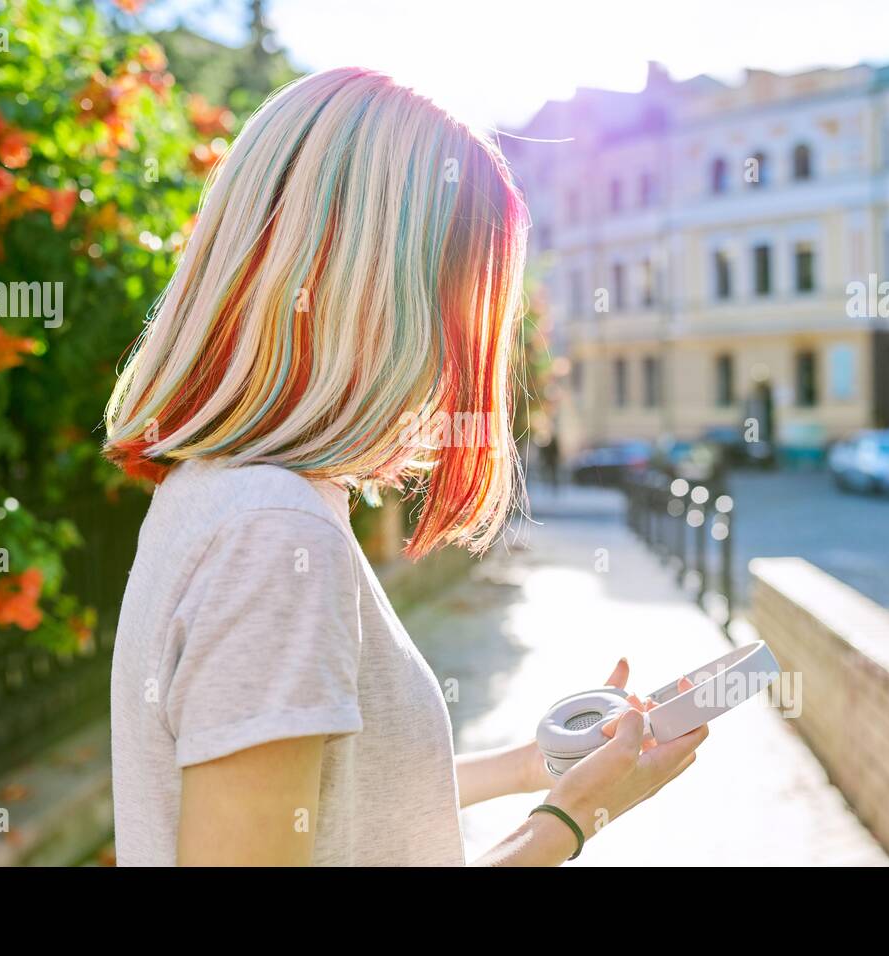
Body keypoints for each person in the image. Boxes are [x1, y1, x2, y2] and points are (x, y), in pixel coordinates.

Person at [103, 67, 707, 866]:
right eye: (457, 304)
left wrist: (535, 766)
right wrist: (564, 824)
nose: (451, 362)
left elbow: (335, 811)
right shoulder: (273, 536)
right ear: (384, 297)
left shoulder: (221, 497)